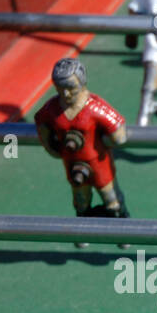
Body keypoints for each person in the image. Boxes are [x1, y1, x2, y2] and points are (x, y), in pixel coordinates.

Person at [34, 59, 129, 238]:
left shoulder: (93, 107)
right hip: (72, 162)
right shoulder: (54, 108)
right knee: (80, 200)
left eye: (71, 87)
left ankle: (122, 232)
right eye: (60, 88)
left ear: (82, 83)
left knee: (111, 198)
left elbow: (119, 132)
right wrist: (49, 145)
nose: (66, 93)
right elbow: (41, 120)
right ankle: (83, 232)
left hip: (98, 162)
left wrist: (108, 141)